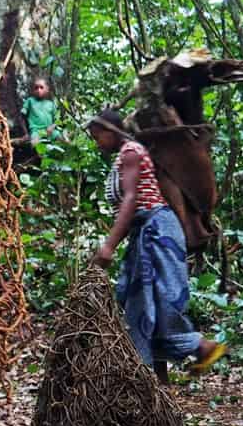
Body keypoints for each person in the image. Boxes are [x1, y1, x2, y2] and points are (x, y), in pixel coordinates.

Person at [87, 108, 227, 376]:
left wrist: (108, 246)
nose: (96, 144)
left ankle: (197, 348)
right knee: (141, 304)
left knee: (155, 303)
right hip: (146, 233)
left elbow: (130, 201)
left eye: (97, 137)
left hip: (157, 230)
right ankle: (157, 378)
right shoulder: (126, 155)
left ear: (110, 131)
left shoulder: (131, 152)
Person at [21, 78, 60, 145]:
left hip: (50, 131)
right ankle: (40, 155)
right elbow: (22, 117)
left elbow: (57, 119)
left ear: (47, 89)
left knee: (62, 139)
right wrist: (26, 133)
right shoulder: (30, 101)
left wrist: (52, 126)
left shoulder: (51, 104)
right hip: (36, 131)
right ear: (33, 91)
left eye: (41, 87)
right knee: (34, 144)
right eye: (36, 88)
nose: (39, 90)